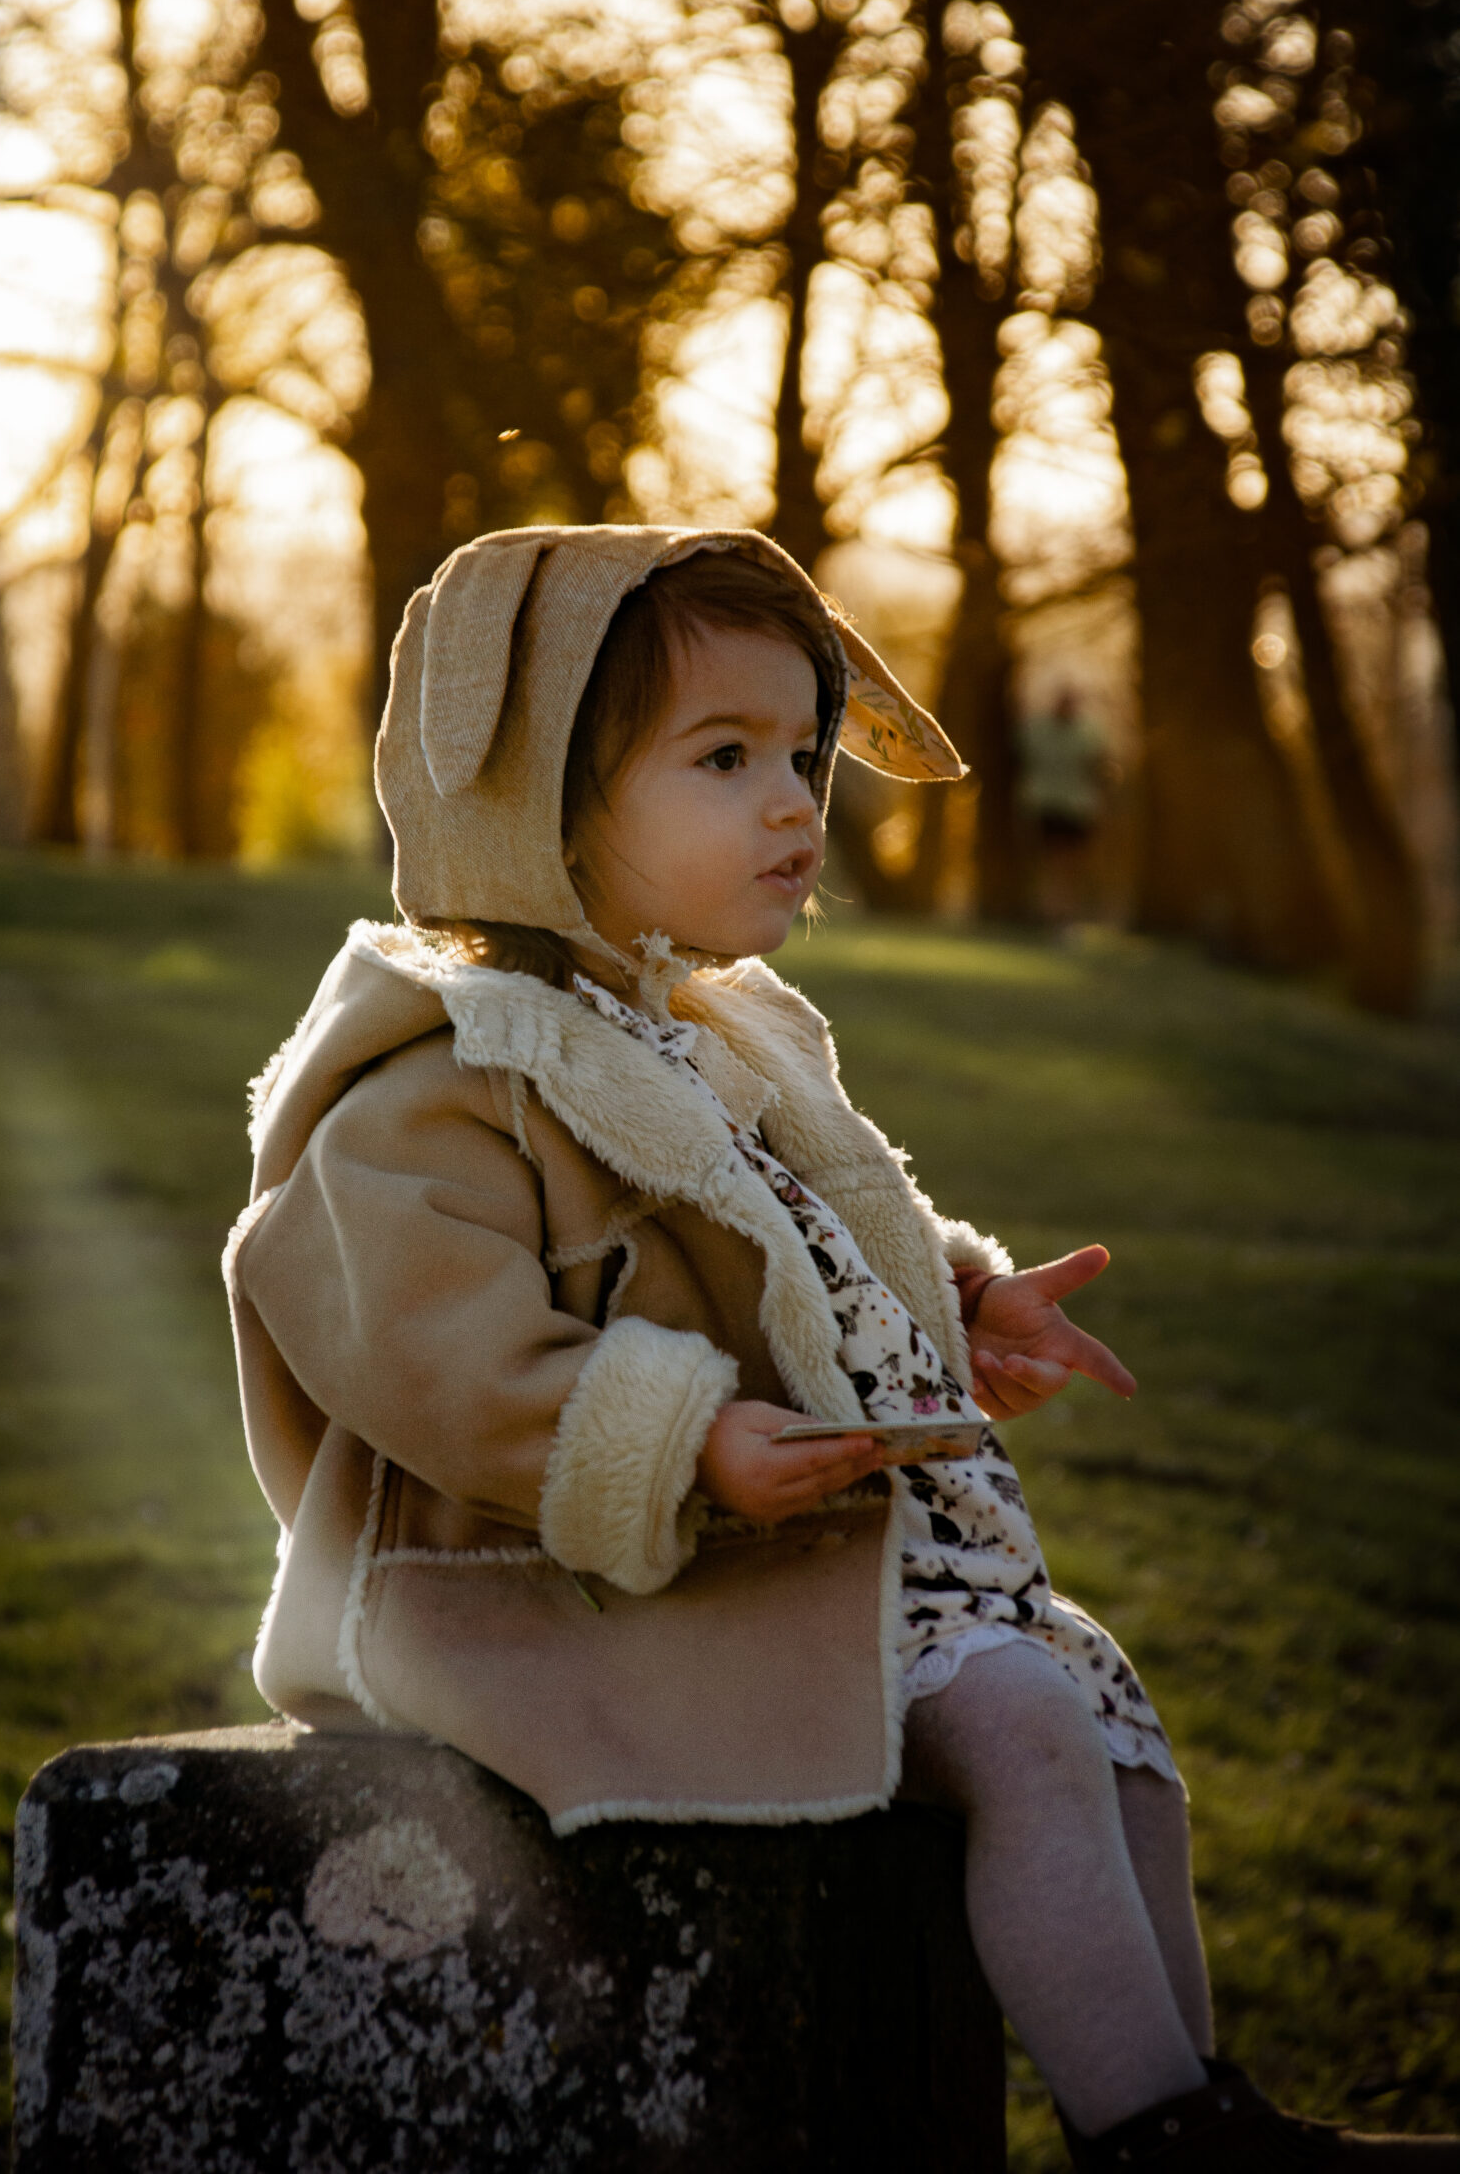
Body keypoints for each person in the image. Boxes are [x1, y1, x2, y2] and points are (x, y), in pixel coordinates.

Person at [226, 526, 1452, 2171]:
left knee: (1083, 1686)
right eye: (722, 758)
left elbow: (789, 1246)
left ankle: (1195, 2094)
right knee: (1012, 1716)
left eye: (802, 752)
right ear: (533, 796)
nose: (797, 803)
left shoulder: (712, 1039)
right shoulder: (442, 1083)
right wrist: (675, 1439)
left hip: (753, 1549)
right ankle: (1153, 2134)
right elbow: (421, 1346)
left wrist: (953, 1302)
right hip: (544, 1585)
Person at [1017, 684, 1111, 926]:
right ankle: (1050, 913)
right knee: (1052, 861)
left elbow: (1100, 767)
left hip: (1078, 806)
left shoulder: (1088, 733)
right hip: (1046, 803)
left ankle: (1064, 914)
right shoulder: (1037, 729)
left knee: (1071, 864)